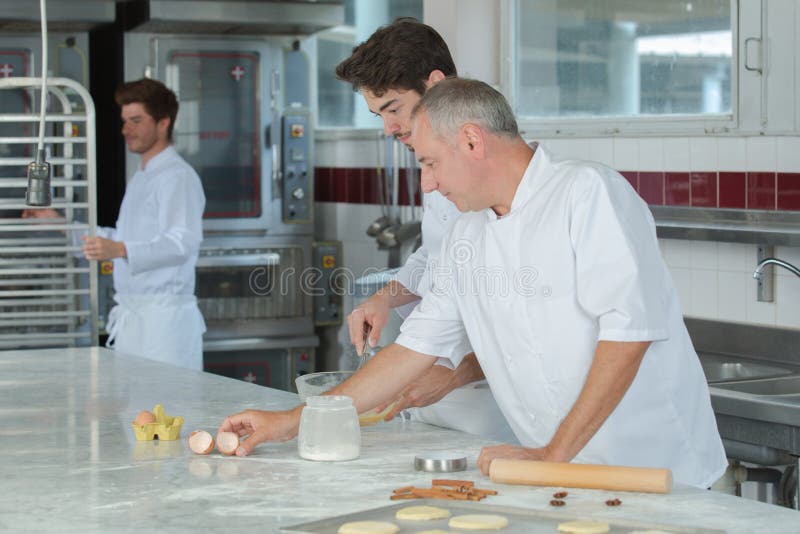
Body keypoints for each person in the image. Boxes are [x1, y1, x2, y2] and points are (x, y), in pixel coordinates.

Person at [219, 78, 727, 489]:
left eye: (429, 162)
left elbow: (629, 333)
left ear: (470, 140)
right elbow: (414, 348)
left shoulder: (587, 192)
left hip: (656, 470)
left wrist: (554, 454)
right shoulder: (469, 232)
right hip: (557, 475)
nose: (429, 184)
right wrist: (293, 421)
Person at [336, 17, 516, 443]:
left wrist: (455, 373)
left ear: (434, 85)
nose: (388, 128)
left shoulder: (490, 176)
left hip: (493, 407)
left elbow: (522, 319)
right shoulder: (438, 172)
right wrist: (386, 298)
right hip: (432, 391)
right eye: (379, 114)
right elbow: (438, 256)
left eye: (393, 108)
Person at [26, 78, 207, 370]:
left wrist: (121, 248)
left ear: (163, 123)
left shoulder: (177, 177)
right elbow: (121, 239)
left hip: (164, 327)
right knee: (137, 414)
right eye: (124, 121)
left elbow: (181, 243)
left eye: (136, 120)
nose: (126, 130)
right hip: (134, 323)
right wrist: (60, 223)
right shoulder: (142, 176)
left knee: (171, 412)